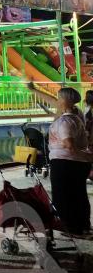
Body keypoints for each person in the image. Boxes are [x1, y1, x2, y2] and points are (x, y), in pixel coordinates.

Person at [46, 87, 92, 236]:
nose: (57, 101)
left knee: (63, 196)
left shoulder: (65, 121)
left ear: (65, 101)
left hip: (65, 163)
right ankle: (83, 225)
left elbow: (69, 144)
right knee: (79, 194)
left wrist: (86, 156)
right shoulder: (77, 117)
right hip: (77, 164)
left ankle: (70, 227)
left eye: (59, 98)